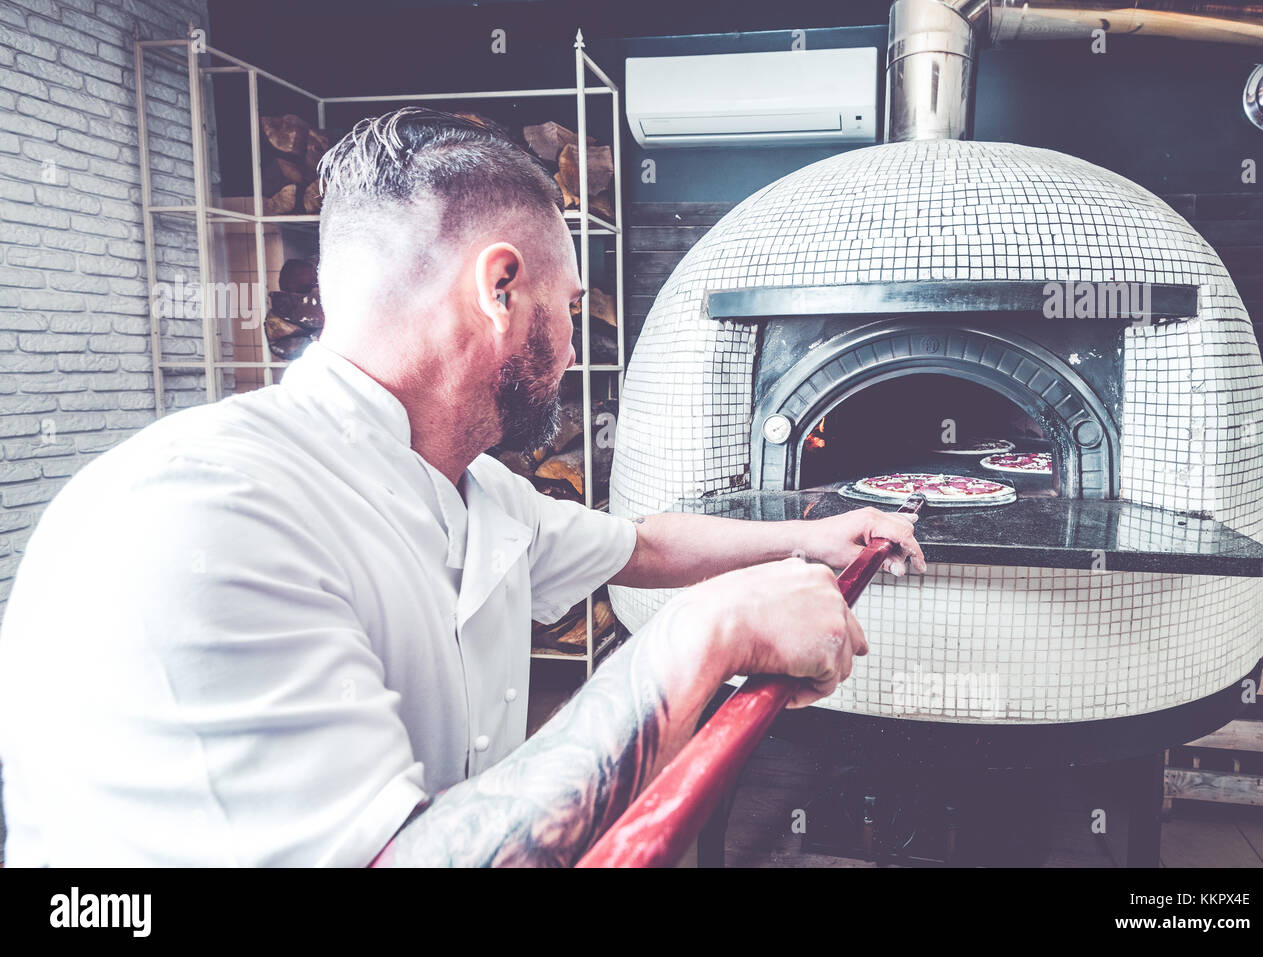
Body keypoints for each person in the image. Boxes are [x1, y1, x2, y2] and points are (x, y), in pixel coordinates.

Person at [0, 108, 925, 867]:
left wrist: (817, 537)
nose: (571, 345)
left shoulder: (472, 489)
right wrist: (706, 634)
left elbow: (640, 545)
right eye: (565, 309)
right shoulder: (201, 512)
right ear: (499, 286)